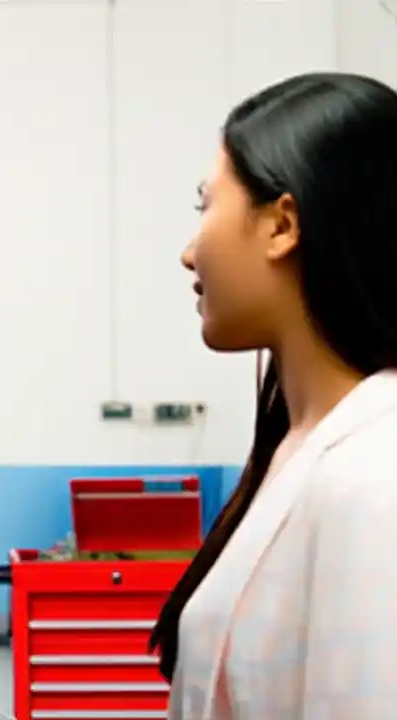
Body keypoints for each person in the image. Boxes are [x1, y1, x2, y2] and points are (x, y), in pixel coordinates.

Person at [151, 72, 397, 718]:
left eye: (205, 205)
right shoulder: (304, 448)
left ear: (282, 224)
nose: (187, 252)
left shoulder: (376, 474)